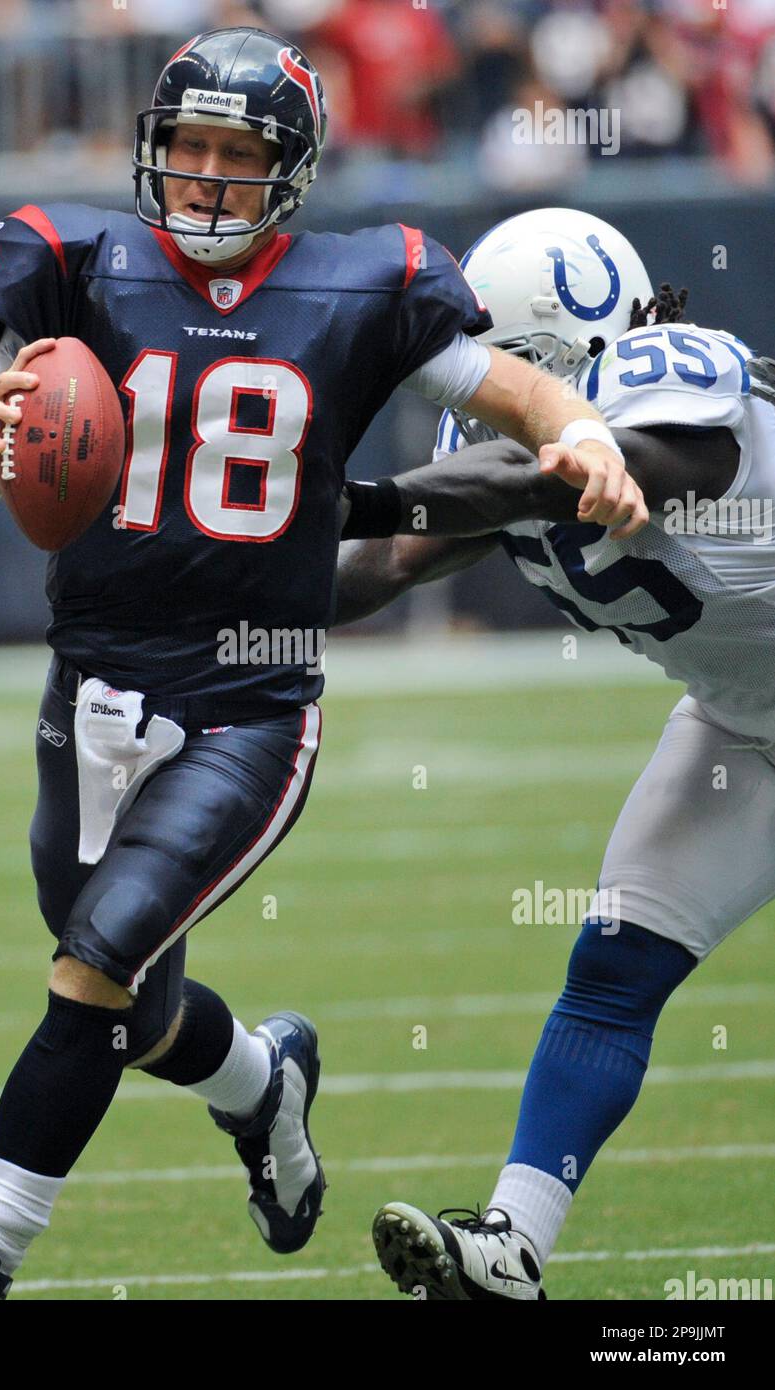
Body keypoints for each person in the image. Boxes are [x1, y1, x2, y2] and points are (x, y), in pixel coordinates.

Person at [0, 30, 640, 1299]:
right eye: (185, 146)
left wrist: (584, 433)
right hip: (88, 688)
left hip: (246, 707)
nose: (201, 176)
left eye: (233, 152)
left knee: (89, 971)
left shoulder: (365, 284)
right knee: (128, 1008)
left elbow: (511, 390)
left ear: (287, 169)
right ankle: (266, 1085)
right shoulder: (78, 264)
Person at [335, 206, 772, 1300]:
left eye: (510, 364)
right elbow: (376, 570)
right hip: (746, 723)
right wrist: (199, 571)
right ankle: (511, 1251)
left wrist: (360, 496)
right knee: (612, 971)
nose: (492, 391)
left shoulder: (675, 392)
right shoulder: (515, 462)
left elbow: (644, 464)